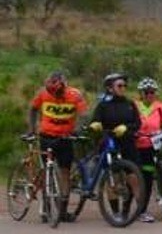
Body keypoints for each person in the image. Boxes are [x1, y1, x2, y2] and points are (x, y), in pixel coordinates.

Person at [29, 71, 87, 215]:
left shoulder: (75, 95)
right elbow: (33, 109)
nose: (56, 96)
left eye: (58, 93)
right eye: (52, 93)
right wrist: (31, 129)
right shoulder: (43, 93)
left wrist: (78, 130)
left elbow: (83, 115)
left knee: (65, 172)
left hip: (65, 138)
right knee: (45, 170)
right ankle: (45, 206)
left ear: (64, 86)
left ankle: (62, 210)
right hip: (46, 136)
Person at [131, 78, 162, 223]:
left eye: (152, 92)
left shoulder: (159, 107)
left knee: (147, 177)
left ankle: (143, 210)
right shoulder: (134, 105)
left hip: (151, 145)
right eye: (146, 92)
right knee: (133, 176)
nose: (149, 95)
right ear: (141, 93)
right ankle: (128, 207)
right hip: (135, 144)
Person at [87, 74, 141, 209]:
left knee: (133, 176)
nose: (123, 88)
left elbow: (137, 123)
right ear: (110, 88)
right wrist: (95, 125)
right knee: (112, 176)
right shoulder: (103, 105)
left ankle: (139, 208)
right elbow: (95, 120)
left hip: (127, 141)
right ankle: (115, 210)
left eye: (124, 86)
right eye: (119, 86)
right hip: (109, 141)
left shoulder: (130, 104)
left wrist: (127, 127)